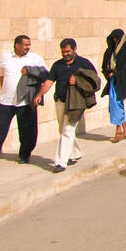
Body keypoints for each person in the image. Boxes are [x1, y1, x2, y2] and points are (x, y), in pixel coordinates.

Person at [0, 34, 48, 167]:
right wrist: (5, 92)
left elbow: (45, 75)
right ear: (17, 45)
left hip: (25, 102)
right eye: (25, 45)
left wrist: (30, 71)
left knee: (27, 131)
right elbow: (2, 76)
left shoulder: (35, 58)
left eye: (29, 45)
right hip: (6, 101)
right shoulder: (6, 58)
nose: (28, 47)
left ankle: (24, 155)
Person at [37, 39, 100, 173]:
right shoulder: (57, 65)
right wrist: (39, 95)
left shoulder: (84, 63)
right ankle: (75, 152)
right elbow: (49, 81)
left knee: (68, 130)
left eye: (68, 51)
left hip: (76, 103)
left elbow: (94, 80)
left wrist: (77, 81)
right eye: (63, 51)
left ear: (74, 49)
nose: (65, 54)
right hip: (60, 101)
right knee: (63, 129)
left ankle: (60, 162)